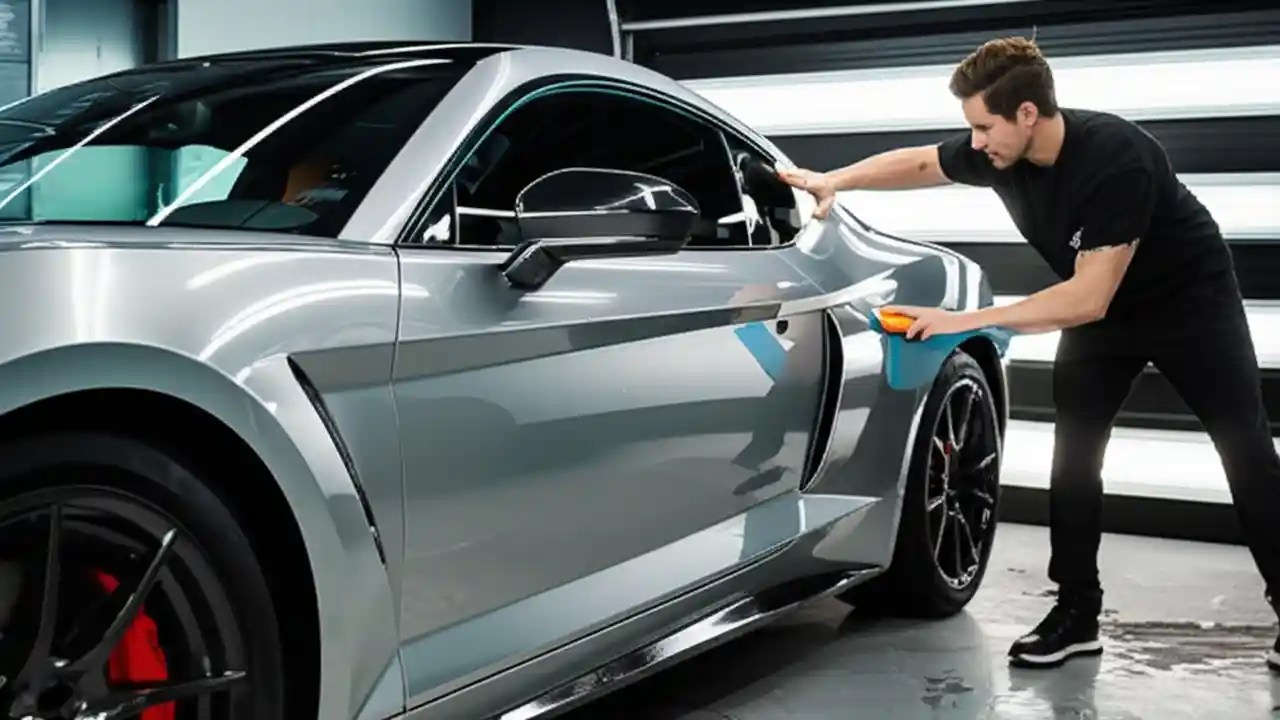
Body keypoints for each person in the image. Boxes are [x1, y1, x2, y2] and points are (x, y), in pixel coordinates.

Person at [779, 36, 1280, 671]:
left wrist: (962, 322)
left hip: (1188, 305)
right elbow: (922, 164)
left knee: (1246, 455)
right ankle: (1076, 613)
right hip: (1102, 307)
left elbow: (1086, 299)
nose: (976, 141)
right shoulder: (999, 153)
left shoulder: (1118, 159)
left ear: (1026, 114)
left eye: (984, 126)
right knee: (1073, 459)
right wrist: (835, 180)